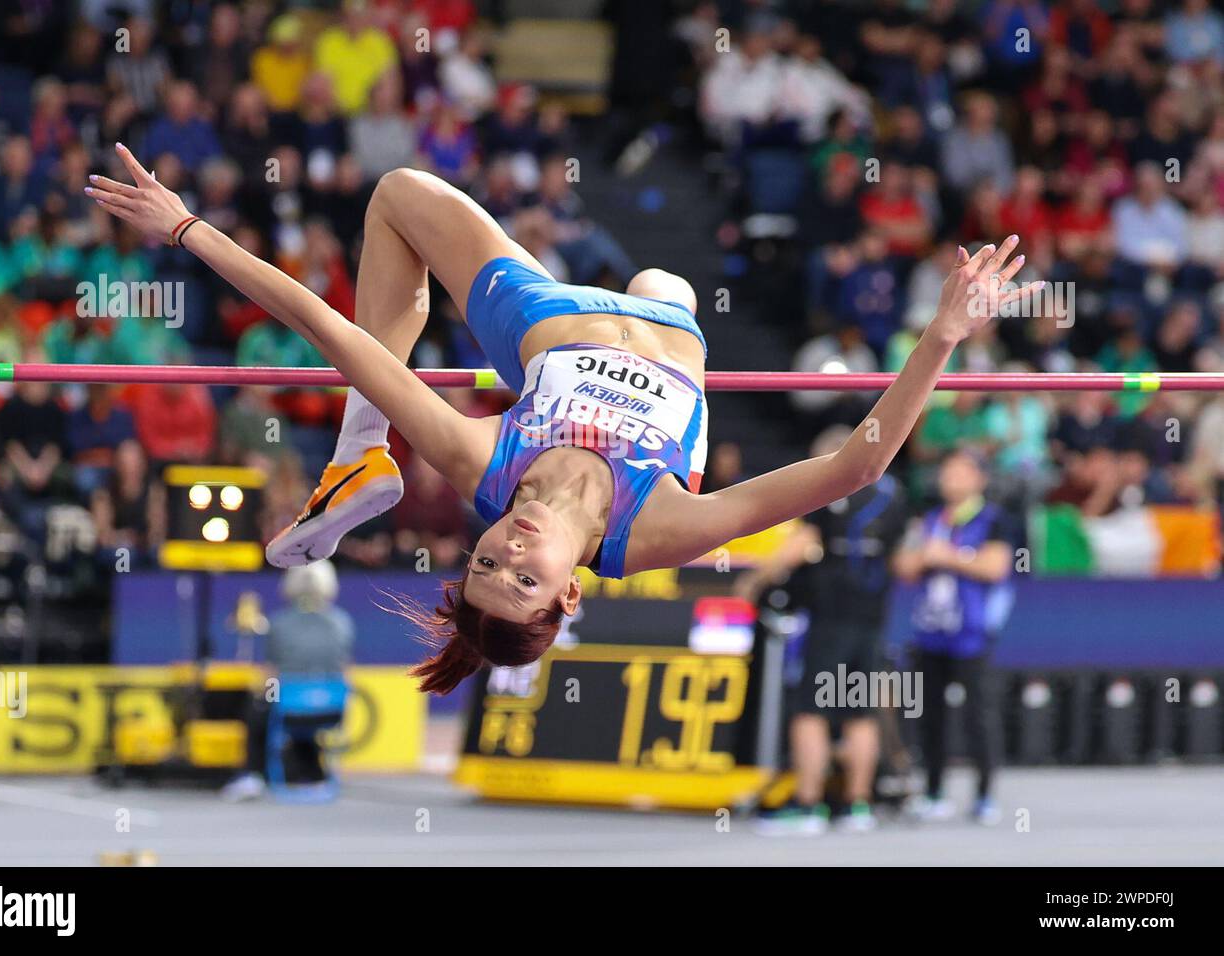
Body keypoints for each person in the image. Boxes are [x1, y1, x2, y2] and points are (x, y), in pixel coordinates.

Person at [85, 144, 1038, 694]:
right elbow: (855, 468)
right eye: (524, 577)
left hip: (539, 318)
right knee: (666, 280)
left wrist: (186, 230)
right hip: (666, 324)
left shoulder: (481, 462)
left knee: (399, 196)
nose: (508, 550)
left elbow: (333, 331)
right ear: (568, 593)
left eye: (485, 564)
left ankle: (360, 452)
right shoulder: (651, 530)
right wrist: (943, 335)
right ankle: (362, 452)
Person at [741, 426, 908, 835]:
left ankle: (809, 804)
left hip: (831, 616)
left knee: (809, 711)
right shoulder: (895, 496)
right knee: (860, 711)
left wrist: (755, 580)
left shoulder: (830, 489)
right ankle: (858, 805)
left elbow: (802, 543)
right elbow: (902, 560)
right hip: (873, 616)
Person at [894, 449, 1016, 825]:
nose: (950, 479)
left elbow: (995, 567)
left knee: (979, 715)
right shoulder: (929, 519)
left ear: (979, 479)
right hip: (930, 633)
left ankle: (983, 796)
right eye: (946, 472)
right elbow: (904, 565)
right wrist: (927, 556)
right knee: (928, 715)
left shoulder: (994, 521)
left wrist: (946, 556)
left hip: (971, 635)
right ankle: (933, 791)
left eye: (960, 472)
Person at [223, 559, 355, 802]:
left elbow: (270, 675)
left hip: (289, 705)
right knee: (300, 720)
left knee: (258, 709)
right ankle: (311, 772)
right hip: (332, 707)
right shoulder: (342, 622)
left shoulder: (280, 623)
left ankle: (253, 774)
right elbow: (345, 669)